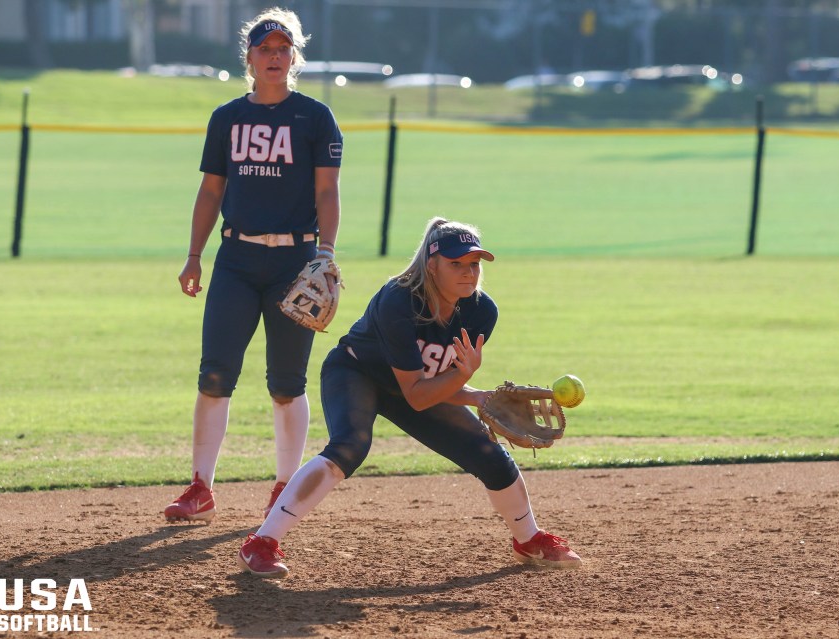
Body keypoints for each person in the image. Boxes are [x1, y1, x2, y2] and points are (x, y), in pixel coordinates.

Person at [236, 218, 582, 577]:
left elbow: (430, 384)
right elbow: (418, 396)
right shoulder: (398, 300)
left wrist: (477, 397)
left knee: (487, 450)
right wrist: (465, 377)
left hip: (413, 386)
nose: (469, 273)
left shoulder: (481, 311)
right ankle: (260, 543)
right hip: (356, 372)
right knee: (349, 446)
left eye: (474, 264)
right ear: (432, 265)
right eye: (456, 263)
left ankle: (528, 540)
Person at [164, 7, 343, 524]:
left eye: (283, 49)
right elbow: (211, 189)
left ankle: (284, 488)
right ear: (249, 57)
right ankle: (200, 488)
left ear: (294, 57)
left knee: (286, 383)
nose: (274, 57)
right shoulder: (227, 118)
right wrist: (194, 255)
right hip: (236, 258)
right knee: (214, 374)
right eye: (265, 48)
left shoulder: (314, 117)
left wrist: (326, 253)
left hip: (295, 259)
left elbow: (327, 190)